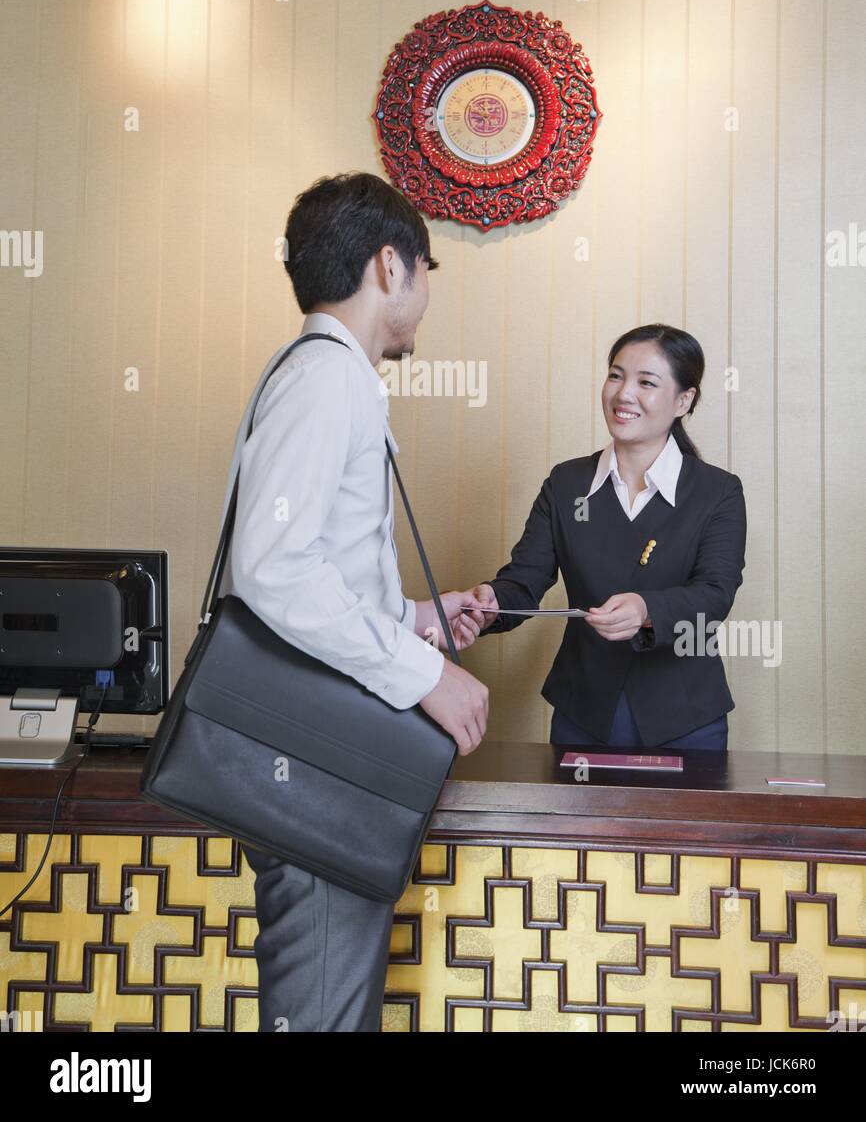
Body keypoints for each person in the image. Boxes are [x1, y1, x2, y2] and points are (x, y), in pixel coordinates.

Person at [217, 172, 488, 1031]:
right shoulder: (328, 380)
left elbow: (311, 568)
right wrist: (425, 674)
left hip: (316, 759)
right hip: (320, 768)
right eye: (427, 269)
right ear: (388, 264)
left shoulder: (322, 376)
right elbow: (272, 569)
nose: (425, 297)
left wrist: (416, 616)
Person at [469, 324, 747, 751]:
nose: (623, 394)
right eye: (616, 376)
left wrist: (645, 609)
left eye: (646, 383)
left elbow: (714, 595)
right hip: (584, 713)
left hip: (686, 719)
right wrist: (489, 603)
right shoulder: (566, 484)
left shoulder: (717, 492)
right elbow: (524, 581)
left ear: (683, 400)